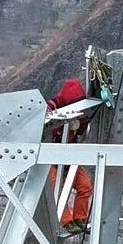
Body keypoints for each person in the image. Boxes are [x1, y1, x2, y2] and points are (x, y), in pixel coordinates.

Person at [46, 78, 94, 233]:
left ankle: (80, 218)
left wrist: (80, 124)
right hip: (50, 158)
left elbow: (81, 129)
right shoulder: (53, 107)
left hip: (67, 158)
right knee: (56, 188)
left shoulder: (80, 113)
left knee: (85, 186)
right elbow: (43, 120)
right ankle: (66, 220)